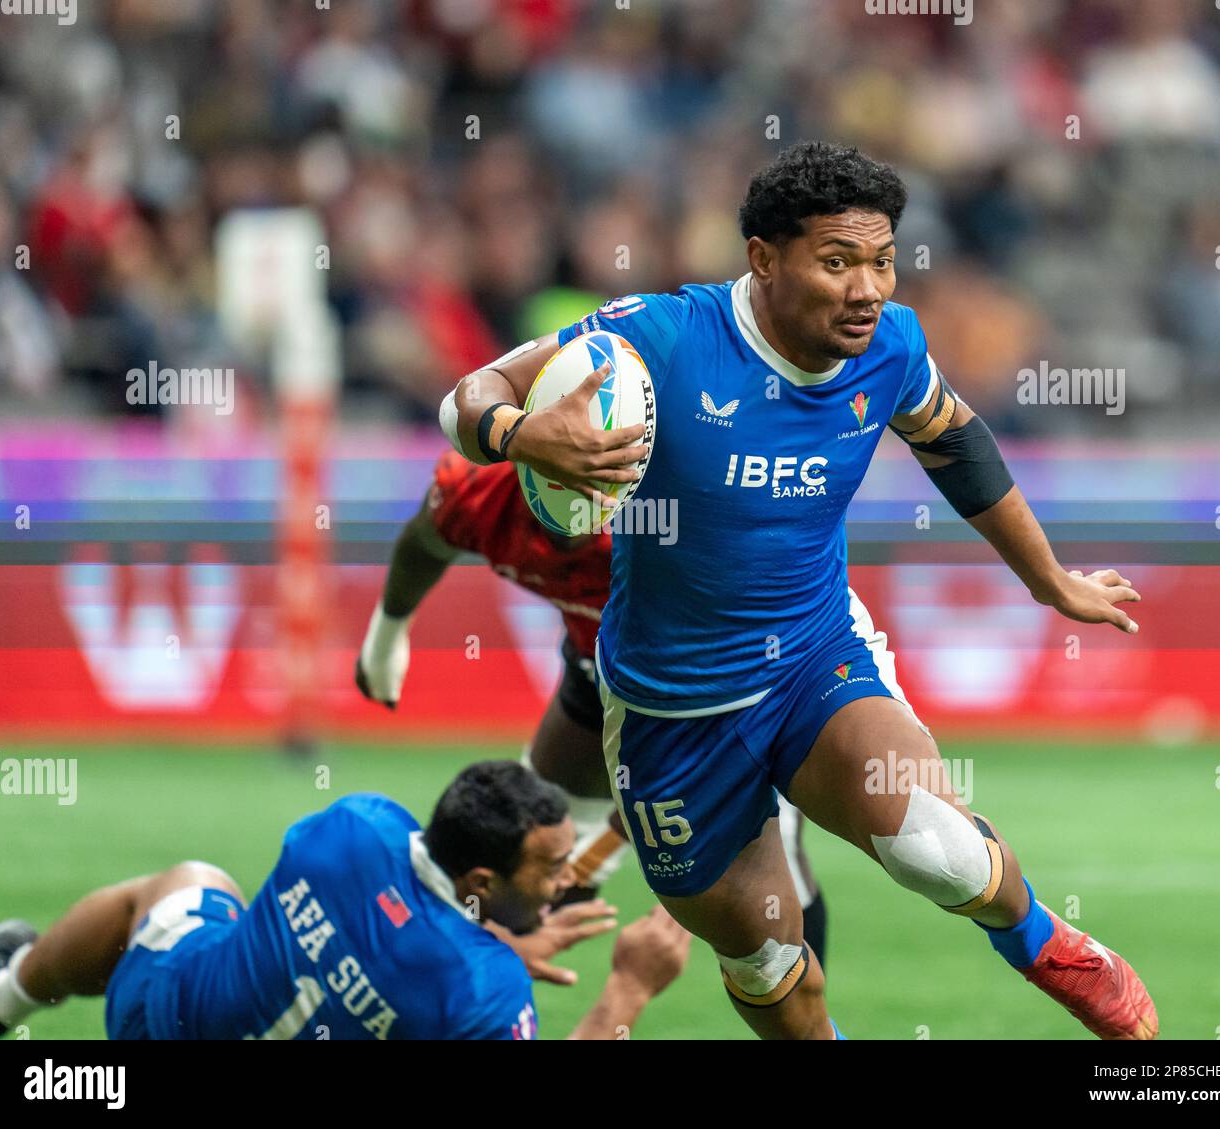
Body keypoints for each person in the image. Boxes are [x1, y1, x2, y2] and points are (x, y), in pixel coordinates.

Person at [439, 141, 1157, 1040]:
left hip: (815, 662)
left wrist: (1050, 580)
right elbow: (468, 397)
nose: (868, 288)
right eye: (838, 261)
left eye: (883, 260)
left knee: (935, 849)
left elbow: (953, 440)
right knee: (778, 972)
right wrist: (520, 432)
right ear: (764, 259)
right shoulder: (664, 337)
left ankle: (1048, 944)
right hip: (670, 714)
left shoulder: (889, 345)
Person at [355, 449, 831, 962]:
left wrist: (600, 852)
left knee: (766, 887)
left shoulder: (677, 528)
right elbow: (426, 541)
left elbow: (696, 743)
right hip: (595, 667)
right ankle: (466, 1001)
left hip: (735, 687)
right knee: (516, 855)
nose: (583, 497)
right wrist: (387, 633)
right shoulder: (478, 489)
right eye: (559, 472)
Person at [0, 761, 689, 1040]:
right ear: (478, 883)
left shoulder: (356, 824)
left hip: (157, 1018)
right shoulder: (485, 992)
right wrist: (626, 989)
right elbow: (421, 963)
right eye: (552, 865)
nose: (568, 877)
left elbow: (387, 926)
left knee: (191, 882)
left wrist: (482, 937)